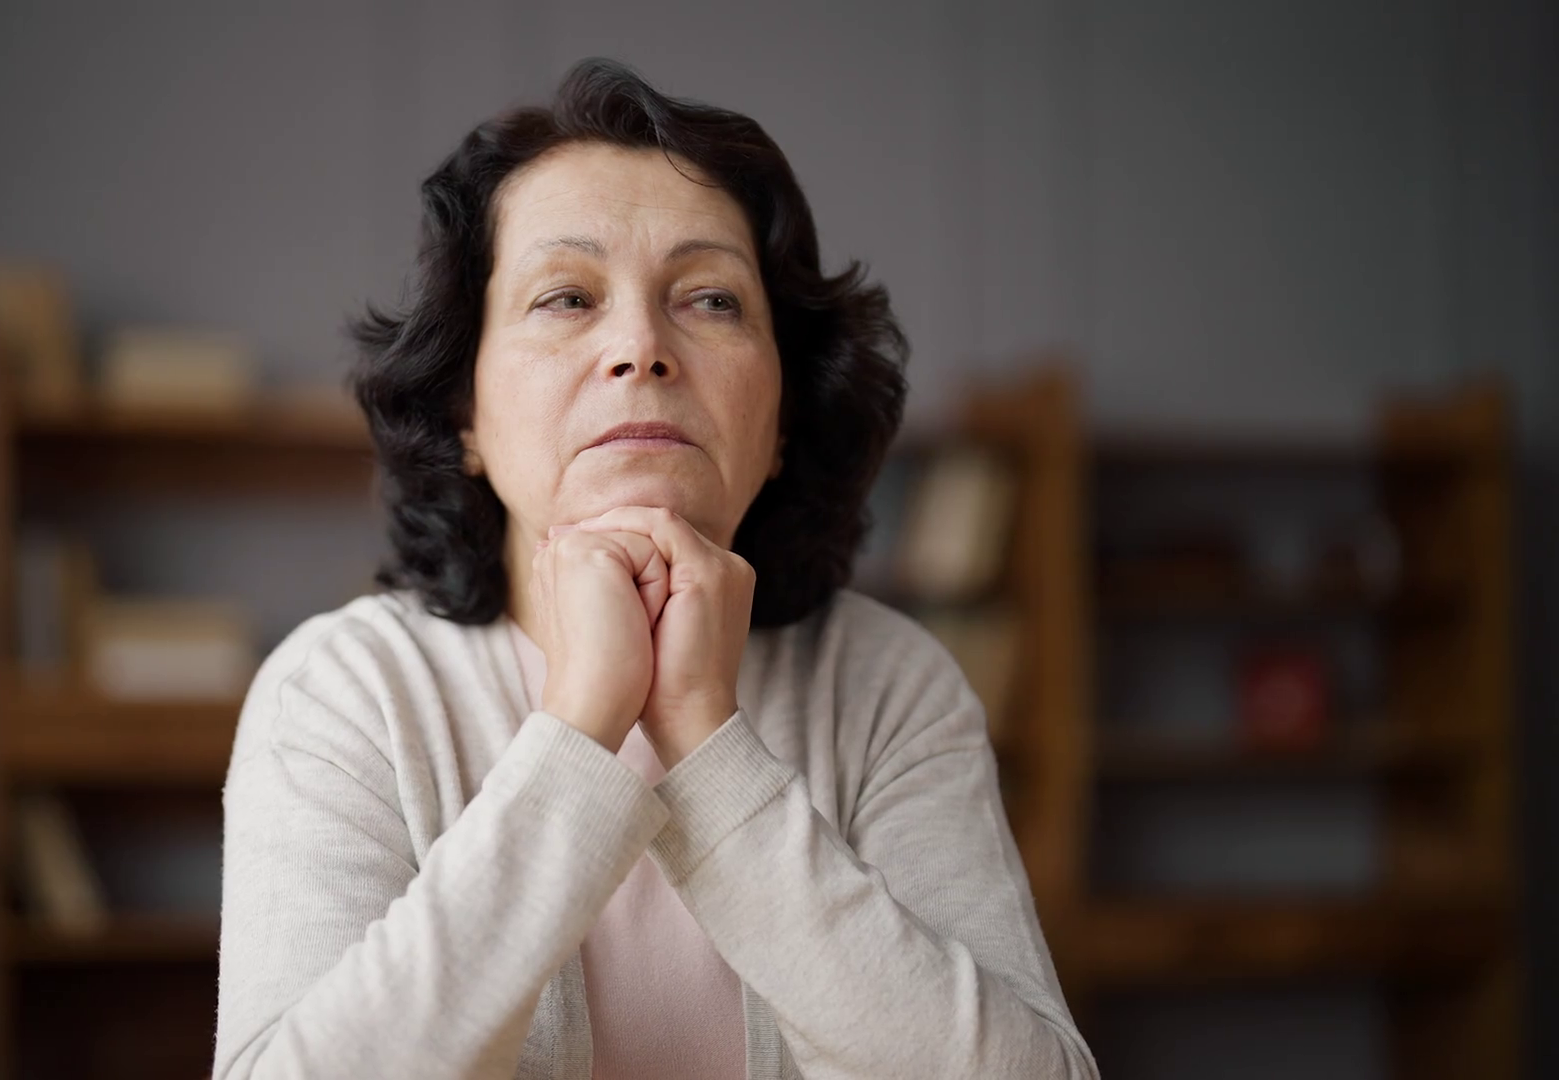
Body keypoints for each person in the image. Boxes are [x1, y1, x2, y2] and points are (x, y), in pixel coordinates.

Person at [213, 58, 1096, 1080]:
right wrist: (581, 727)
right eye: (566, 297)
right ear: (467, 416)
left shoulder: (890, 685)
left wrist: (706, 744)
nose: (639, 346)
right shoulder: (343, 693)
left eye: (712, 300)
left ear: (780, 422)